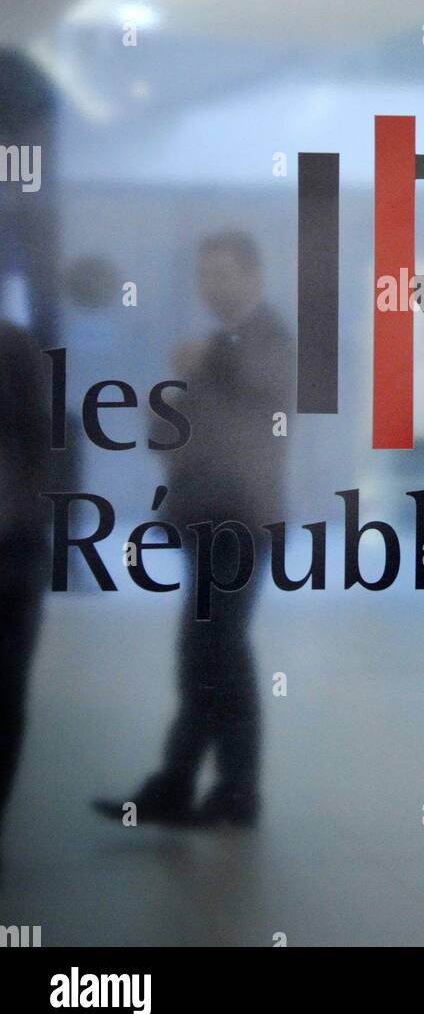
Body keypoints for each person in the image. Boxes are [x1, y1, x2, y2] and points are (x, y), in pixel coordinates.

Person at [94, 231, 294, 828]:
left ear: (255, 276)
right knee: (221, 655)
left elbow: (262, 388)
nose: (212, 286)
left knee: (209, 654)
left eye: (225, 273)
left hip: (240, 518)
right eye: (205, 275)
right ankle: (235, 790)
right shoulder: (217, 344)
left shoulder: (268, 337)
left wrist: (204, 368)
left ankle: (179, 783)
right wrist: (164, 413)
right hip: (205, 516)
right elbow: (180, 438)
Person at [0, 321, 50, 865]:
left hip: (14, 545)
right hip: (18, 543)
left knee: (8, 685)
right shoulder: (13, 343)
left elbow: (34, 442)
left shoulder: (11, 345)